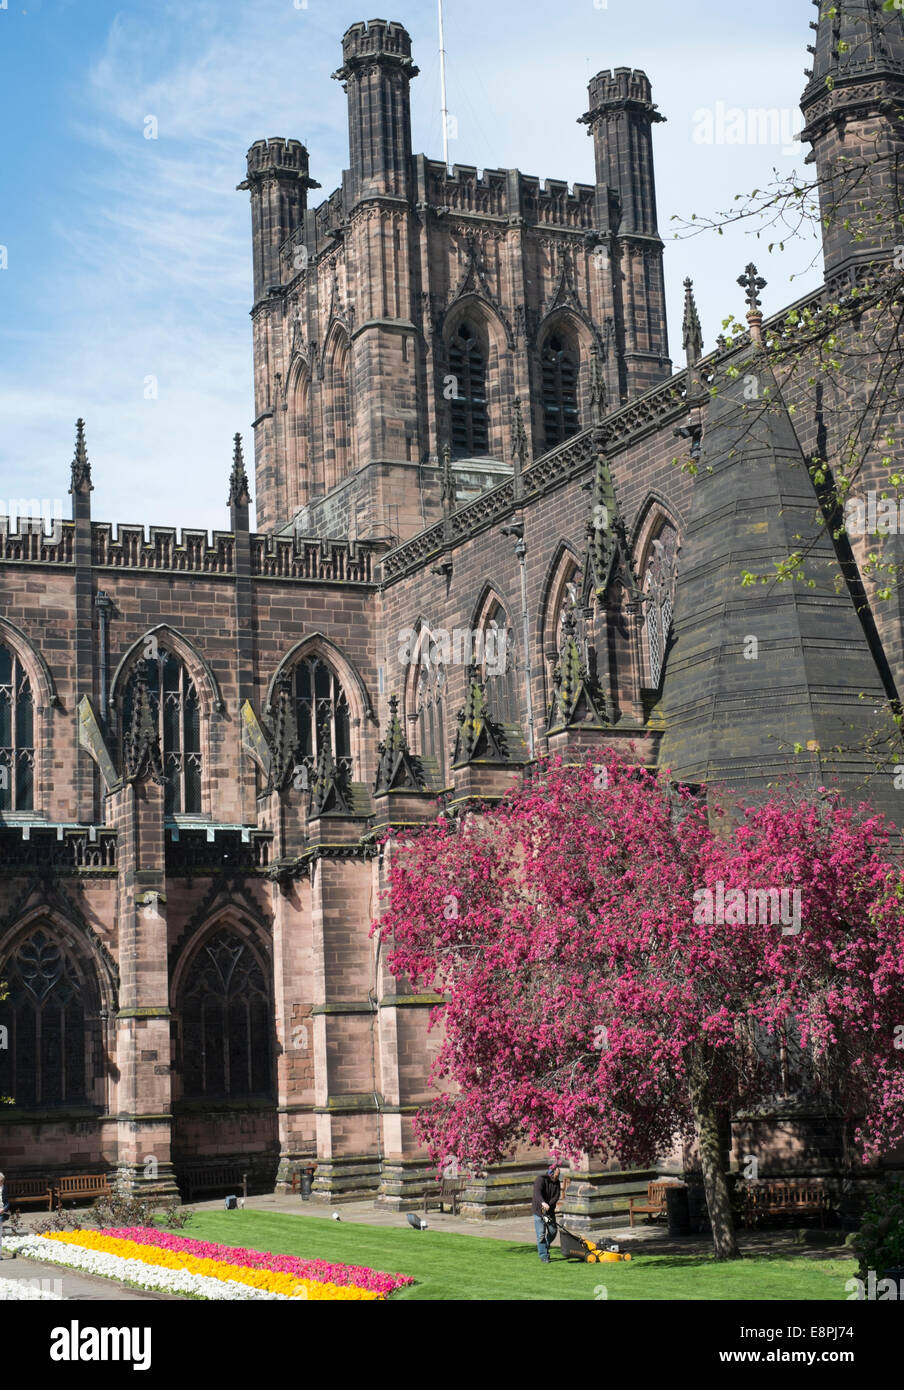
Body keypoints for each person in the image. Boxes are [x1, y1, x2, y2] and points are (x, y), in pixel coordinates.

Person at [532, 1162, 561, 1263]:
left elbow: (557, 1195)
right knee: (541, 1234)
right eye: (556, 1175)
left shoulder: (557, 1183)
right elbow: (537, 1193)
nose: (558, 1177)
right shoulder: (540, 1180)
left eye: (559, 1175)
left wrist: (549, 1205)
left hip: (549, 1212)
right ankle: (544, 1255)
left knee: (553, 1231)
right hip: (539, 1212)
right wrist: (543, 1203)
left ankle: (545, 1246)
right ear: (551, 1173)